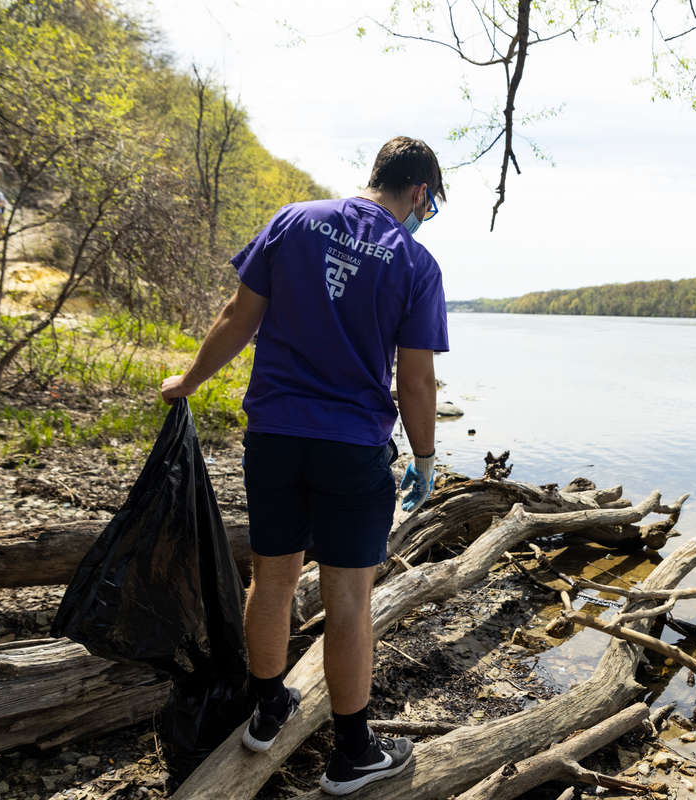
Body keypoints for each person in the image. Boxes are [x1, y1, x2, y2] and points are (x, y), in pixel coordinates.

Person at [160, 136, 448, 795]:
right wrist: (425, 460)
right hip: (351, 446)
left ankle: (267, 708)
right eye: (430, 209)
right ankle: (352, 756)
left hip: (275, 435)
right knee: (348, 599)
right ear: (419, 194)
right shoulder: (414, 261)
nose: (425, 219)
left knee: (273, 577)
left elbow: (239, 316)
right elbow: (418, 380)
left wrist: (191, 380)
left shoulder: (293, 221)